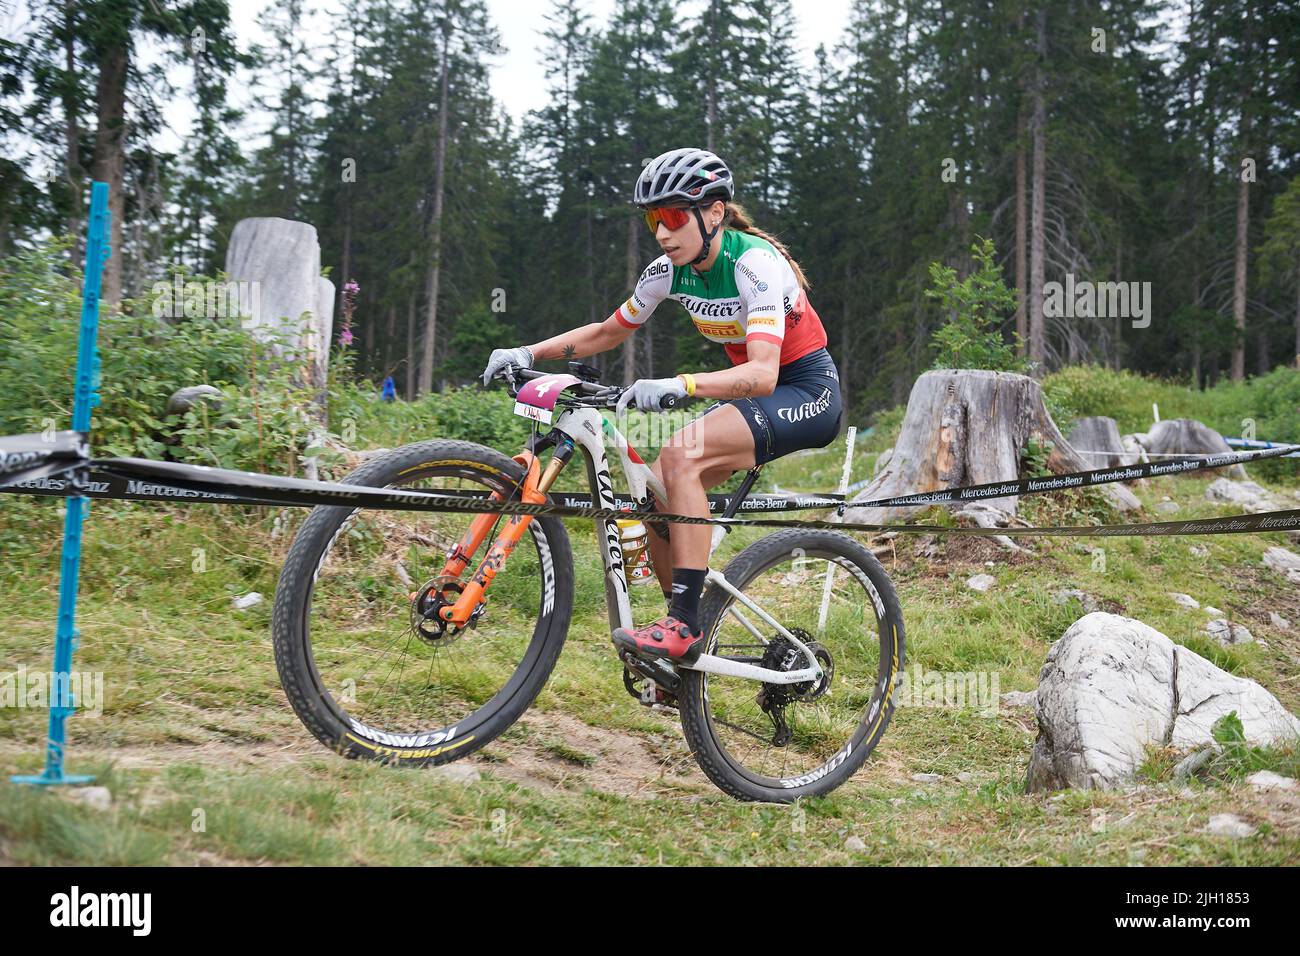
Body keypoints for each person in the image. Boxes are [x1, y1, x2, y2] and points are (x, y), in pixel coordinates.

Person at [480, 147, 843, 663]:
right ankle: (681, 649)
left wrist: (681, 384)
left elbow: (764, 374)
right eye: (654, 220)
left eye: (673, 217)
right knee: (656, 495)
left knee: (680, 455)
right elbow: (607, 332)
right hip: (760, 393)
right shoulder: (668, 271)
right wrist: (527, 352)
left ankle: (684, 625)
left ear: (714, 213)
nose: (662, 233)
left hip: (806, 392)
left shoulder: (755, 263)